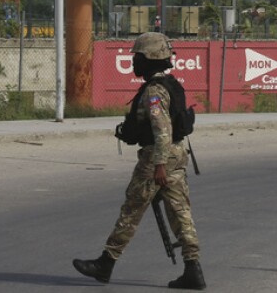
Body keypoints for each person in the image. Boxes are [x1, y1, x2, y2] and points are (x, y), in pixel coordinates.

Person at [73, 32, 205, 290]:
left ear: (150, 58)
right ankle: (193, 269)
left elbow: (161, 130)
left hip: (159, 158)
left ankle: (105, 263)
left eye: (138, 56)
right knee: (181, 213)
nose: (134, 61)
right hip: (178, 155)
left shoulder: (154, 92)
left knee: (132, 210)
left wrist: (158, 167)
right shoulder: (172, 84)